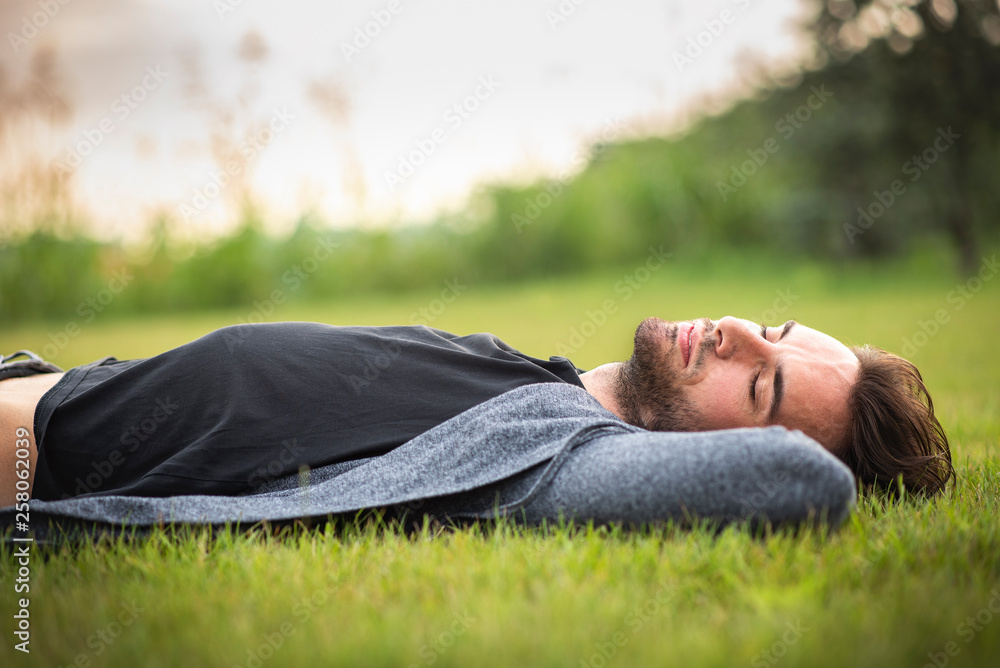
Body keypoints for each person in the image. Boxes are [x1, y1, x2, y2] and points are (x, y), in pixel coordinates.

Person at [0, 316, 953, 512]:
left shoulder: (562, 455)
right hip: (43, 374)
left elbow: (797, 484)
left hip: (30, 443)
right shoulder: (538, 381)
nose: (740, 330)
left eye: (761, 385)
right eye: (777, 326)